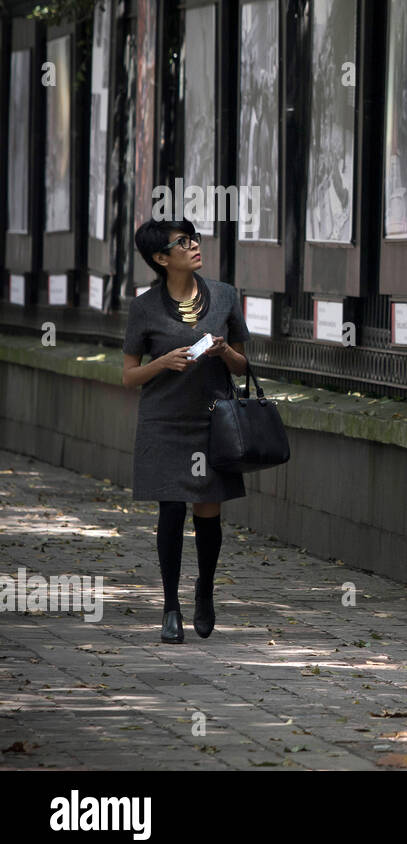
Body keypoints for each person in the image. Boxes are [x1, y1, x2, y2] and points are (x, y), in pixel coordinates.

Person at [122, 217, 252, 644]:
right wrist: (164, 362)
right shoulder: (144, 307)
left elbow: (244, 367)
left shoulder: (226, 296)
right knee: (172, 511)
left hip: (211, 419)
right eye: (183, 242)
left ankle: (206, 591)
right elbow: (128, 376)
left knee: (208, 510)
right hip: (164, 422)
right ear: (161, 258)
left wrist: (225, 350)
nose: (194, 245)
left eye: (194, 238)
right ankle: (170, 607)